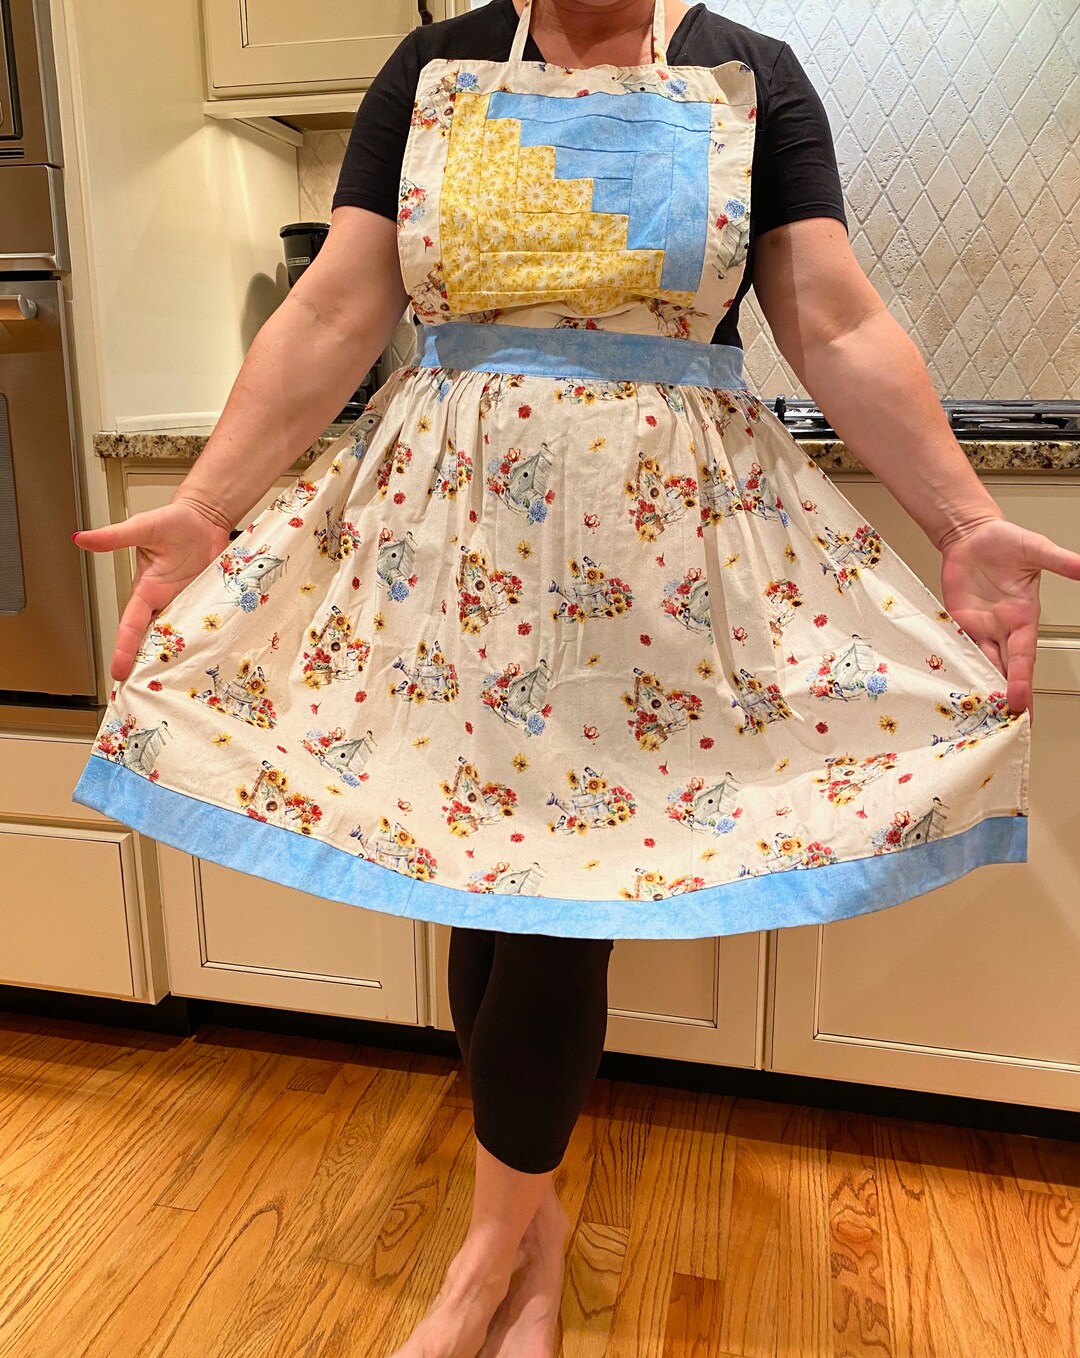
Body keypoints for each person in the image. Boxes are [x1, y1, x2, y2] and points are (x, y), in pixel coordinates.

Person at [72, 0, 1080, 1353]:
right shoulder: (435, 67)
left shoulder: (747, 78)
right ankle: (530, 1232)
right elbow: (334, 304)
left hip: (651, 562)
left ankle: (487, 1260)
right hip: (445, 548)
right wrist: (207, 504)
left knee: (556, 905)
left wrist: (963, 520)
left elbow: (832, 319)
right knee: (477, 886)